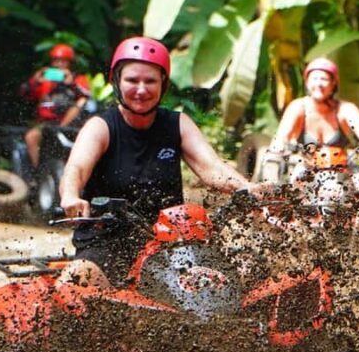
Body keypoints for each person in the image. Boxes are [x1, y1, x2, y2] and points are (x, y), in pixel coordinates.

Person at [58, 36, 252, 289]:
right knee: (76, 283)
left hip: (170, 242)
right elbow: (76, 169)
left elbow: (212, 168)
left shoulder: (178, 124)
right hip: (106, 242)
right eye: (132, 80)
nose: (141, 89)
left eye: (150, 81)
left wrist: (248, 189)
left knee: (240, 275)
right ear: (117, 81)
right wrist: (71, 196)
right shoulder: (101, 127)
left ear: (163, 84)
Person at [266, 58, 359, 159]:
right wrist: (279, 146)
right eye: (314, 79)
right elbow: (282, 136)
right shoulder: (298, 107)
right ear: (307, 82)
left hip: (340, 169)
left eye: (324, 79)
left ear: (333, 84)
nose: (319, 84)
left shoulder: (345, 109)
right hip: (304, 168)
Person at [21, 43, 92, 169]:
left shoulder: (77, 78)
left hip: (68, 123)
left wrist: (71, 84)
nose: (59, 64)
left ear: (69, 63)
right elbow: (26, 95)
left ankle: (61, 130)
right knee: (31, 137)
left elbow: (87, 96)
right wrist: (35, 81)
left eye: (63, 61)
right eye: (56, 61)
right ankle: (37, 172)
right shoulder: (45, 80)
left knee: (80, 102)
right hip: (46, 123)